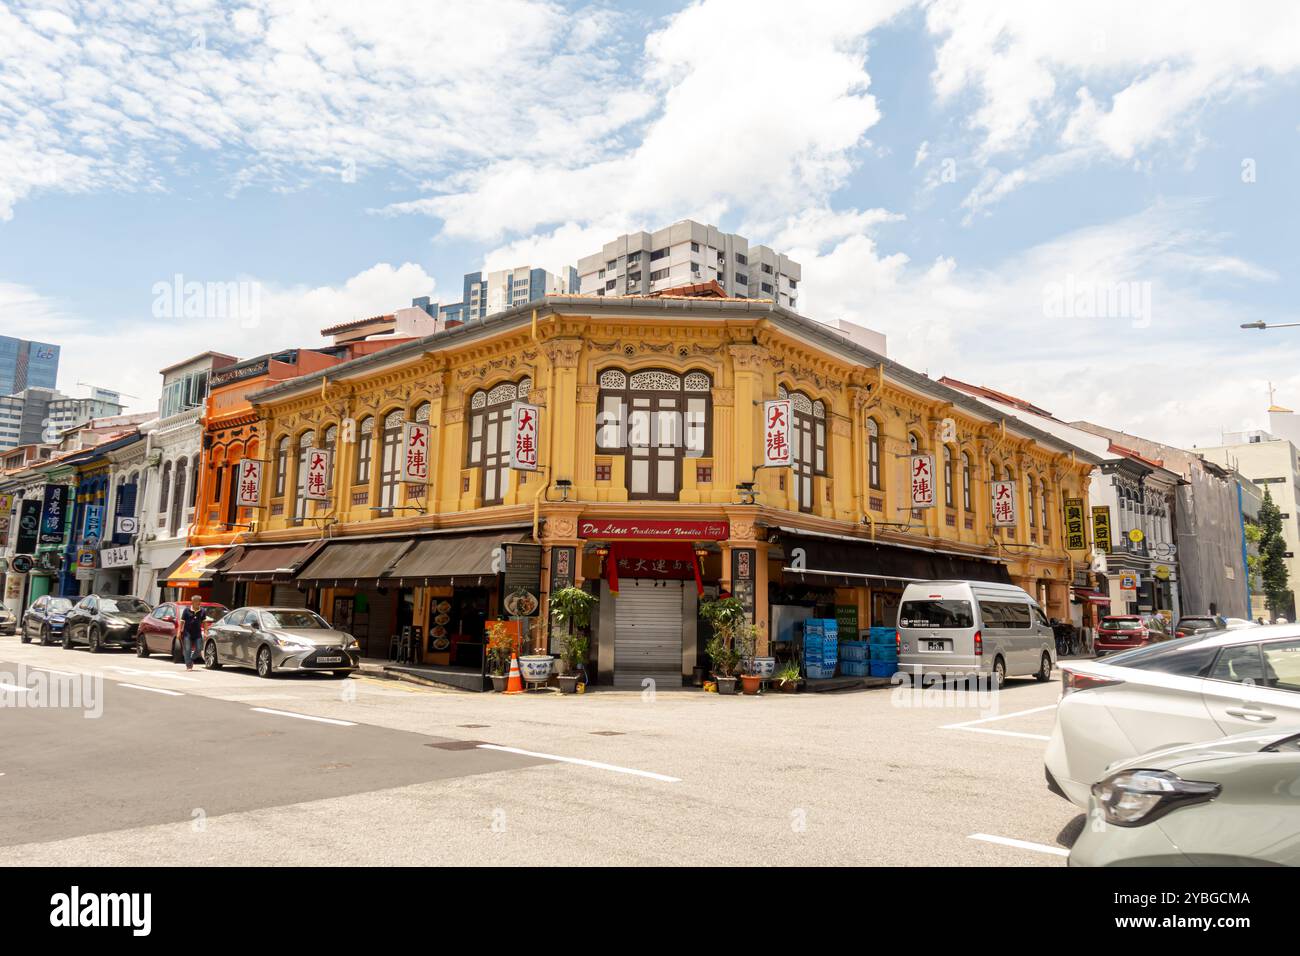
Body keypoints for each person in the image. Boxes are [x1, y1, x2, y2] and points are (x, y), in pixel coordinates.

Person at [180, 595, 207, 671]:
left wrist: (205, 632)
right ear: (193, 602)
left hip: (197, 633)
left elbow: (205, 623)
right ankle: (189, 666)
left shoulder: (202, 611)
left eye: (200, 601)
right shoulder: (186, 610)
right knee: (187, 649)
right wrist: (179, 631)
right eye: (197, 601)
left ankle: (190, 659)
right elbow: (182, 621)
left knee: (199, 648)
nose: (199, 603)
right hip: (187, 633)